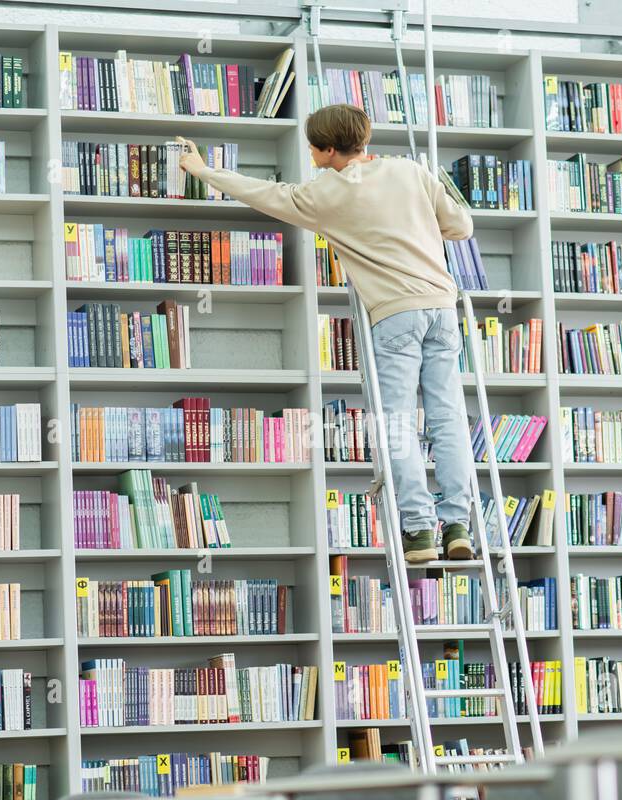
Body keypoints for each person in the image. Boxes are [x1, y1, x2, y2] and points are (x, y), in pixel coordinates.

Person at [176, 104, 476, 563]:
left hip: (394, 315)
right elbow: (461, 226)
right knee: (448, 417)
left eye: (313, 148)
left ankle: (418, 530)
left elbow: (263, 194)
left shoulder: (326, 194)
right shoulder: (411, 171)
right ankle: (458, 524)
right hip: (441, 308)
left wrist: (203, 170)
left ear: (330, 150)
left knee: (397, 423)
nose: (311, 154)